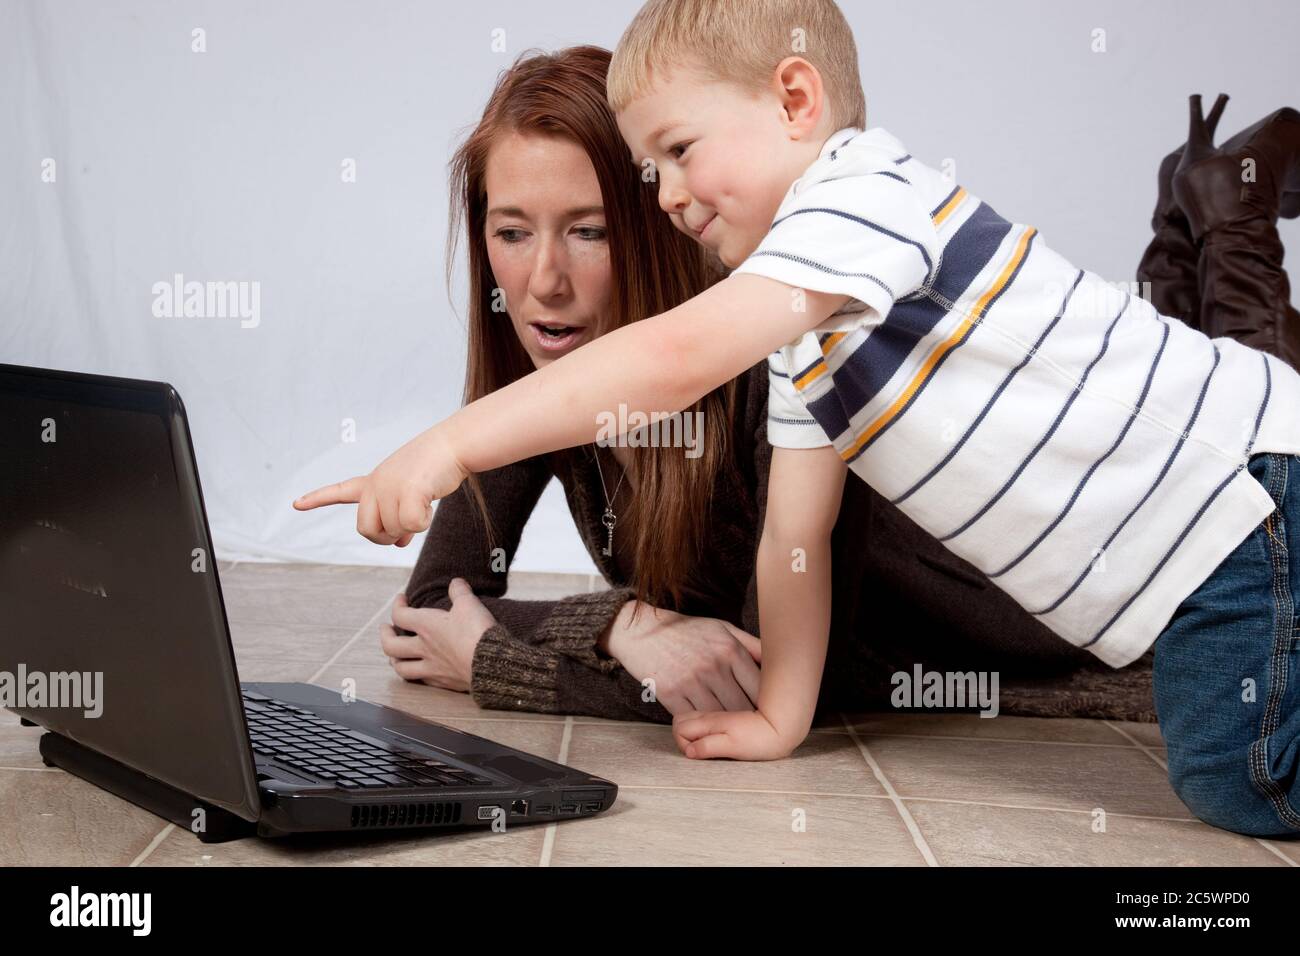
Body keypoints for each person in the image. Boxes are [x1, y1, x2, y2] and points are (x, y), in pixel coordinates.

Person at [297, 1, 1300, 837]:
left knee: (1231, 766)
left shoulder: (860, 200)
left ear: (794, 99)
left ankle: (1221, 223)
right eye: (656, 174)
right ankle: (1197, 221)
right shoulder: (801, 343)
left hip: (1235, 499)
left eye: (676, 158)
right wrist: (775, 714)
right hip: (1195, 529)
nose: (675, 198)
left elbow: (670, 358)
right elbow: (795, 534)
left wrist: (445, 445)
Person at [377, 45, 1095, 725]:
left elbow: (763, 679)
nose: (544, 282)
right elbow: (432, 608)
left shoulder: (780, 357)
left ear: (656, 226)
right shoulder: (546, 364)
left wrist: (492, 660)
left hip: (1048, 614)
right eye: (512, 234)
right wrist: (625, 625)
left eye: (588, 232)